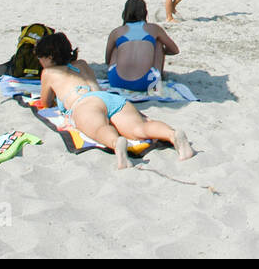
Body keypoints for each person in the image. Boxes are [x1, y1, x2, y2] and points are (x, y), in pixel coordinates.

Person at [35, 32, 193, 169]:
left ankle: (116, 143)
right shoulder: (81, 64)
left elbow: (45, 102)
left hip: (84, 104)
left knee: (99, 129)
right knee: (140, 128)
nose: (39, 62)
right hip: (108, 98)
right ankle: (172, 134)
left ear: (49, 57)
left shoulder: (49, 72)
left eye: (40, 58)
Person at [105, 0, 179, 92]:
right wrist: (157, 52)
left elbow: (108, 59)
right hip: (147, 82)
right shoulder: (154, 29)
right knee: (158, 43)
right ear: (145, 12)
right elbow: (175, 50)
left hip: (116, 81)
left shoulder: (116, 32)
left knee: (117, 46)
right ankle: (158, 74)